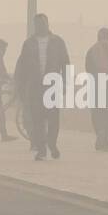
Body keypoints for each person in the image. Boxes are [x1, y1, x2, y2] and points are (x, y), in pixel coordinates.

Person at [15, 13, 69, 160]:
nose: (41, 26)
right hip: (35, 86)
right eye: (38, 23)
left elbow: (65, 64)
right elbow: (22, 67)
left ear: (48, 23)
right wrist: (20, 87)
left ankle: (52, 144)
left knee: (53, 118)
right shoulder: (28, 43)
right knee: (37, 119)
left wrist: (65, 84)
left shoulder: (58, 42)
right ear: (35, 25)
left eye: (43, 23)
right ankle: (41, 149)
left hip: (52, 85)